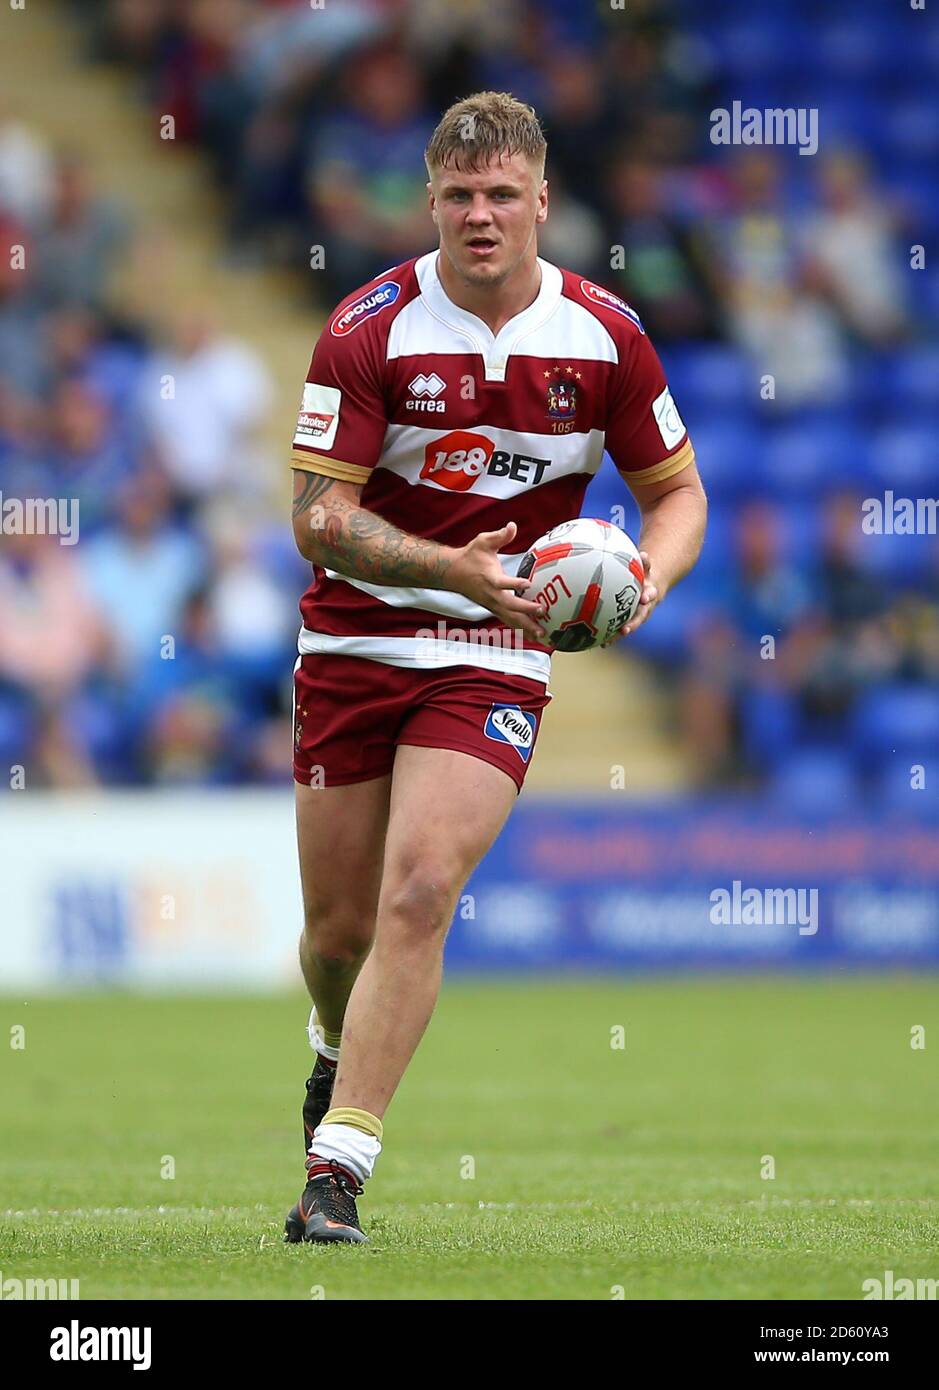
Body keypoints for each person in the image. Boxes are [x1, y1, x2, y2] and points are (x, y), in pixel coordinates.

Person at [284, 91, 707, 1243]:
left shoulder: (606, 335)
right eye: (461, 196)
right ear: (430, 203)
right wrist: (447, 567)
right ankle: (331, 1048)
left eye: (503, 195)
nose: (481, 215)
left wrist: (647, 579)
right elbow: (319, 519)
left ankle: (338, 1171)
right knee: (336, 933)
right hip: (354, 640)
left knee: (421, 887)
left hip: (497, 646)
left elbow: (675, 493)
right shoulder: (368, 327)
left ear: (542, 202)